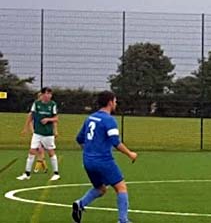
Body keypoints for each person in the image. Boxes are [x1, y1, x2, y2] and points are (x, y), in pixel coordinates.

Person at [71, 91, 138, 223]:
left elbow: (79, 139)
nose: (116, 103)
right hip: (103, 160)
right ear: (110, 102)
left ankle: (80, 204)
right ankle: (123, 220)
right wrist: (130, 153)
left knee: (100, 189)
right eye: (115, 101)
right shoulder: (109, 120)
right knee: (121, 187)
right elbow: (115, 142)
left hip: (88, 160)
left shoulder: (91, 118)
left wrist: (90, 151)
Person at [17, 87, 61, 181]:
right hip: (37, 133)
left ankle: (56, 173)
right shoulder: (36, 104)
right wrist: (26, 127)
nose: (48, 96)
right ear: (42, 94)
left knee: (50, 152)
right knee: (32, 151)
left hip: (48, 133)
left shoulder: (52, 104)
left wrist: (48, 120)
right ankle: (27, 173)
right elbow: (31, 116)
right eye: (47, 93)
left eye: (50, 94)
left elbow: (56, 118)